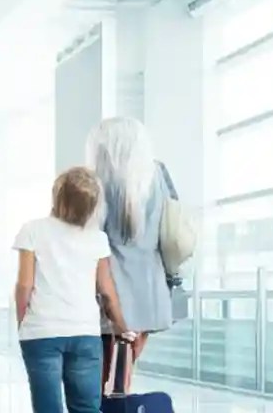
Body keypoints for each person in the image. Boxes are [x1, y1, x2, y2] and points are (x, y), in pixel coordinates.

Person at [14, 166, 132, 413]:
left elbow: (25, 285)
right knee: (86, 408)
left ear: (57, 196)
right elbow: (107, 292)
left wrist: (23, 321)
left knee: (48, 409)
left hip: (41, 332)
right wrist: (122, 327)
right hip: (84, 332)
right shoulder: (97, 239)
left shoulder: (32, 230)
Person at [86, 117, 173, 390]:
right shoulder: (158, 174)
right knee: (123, 374)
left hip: (109, 285)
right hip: (149, 286)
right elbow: (172, 222)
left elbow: (87, 236)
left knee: (101, 376)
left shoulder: (96, 181)